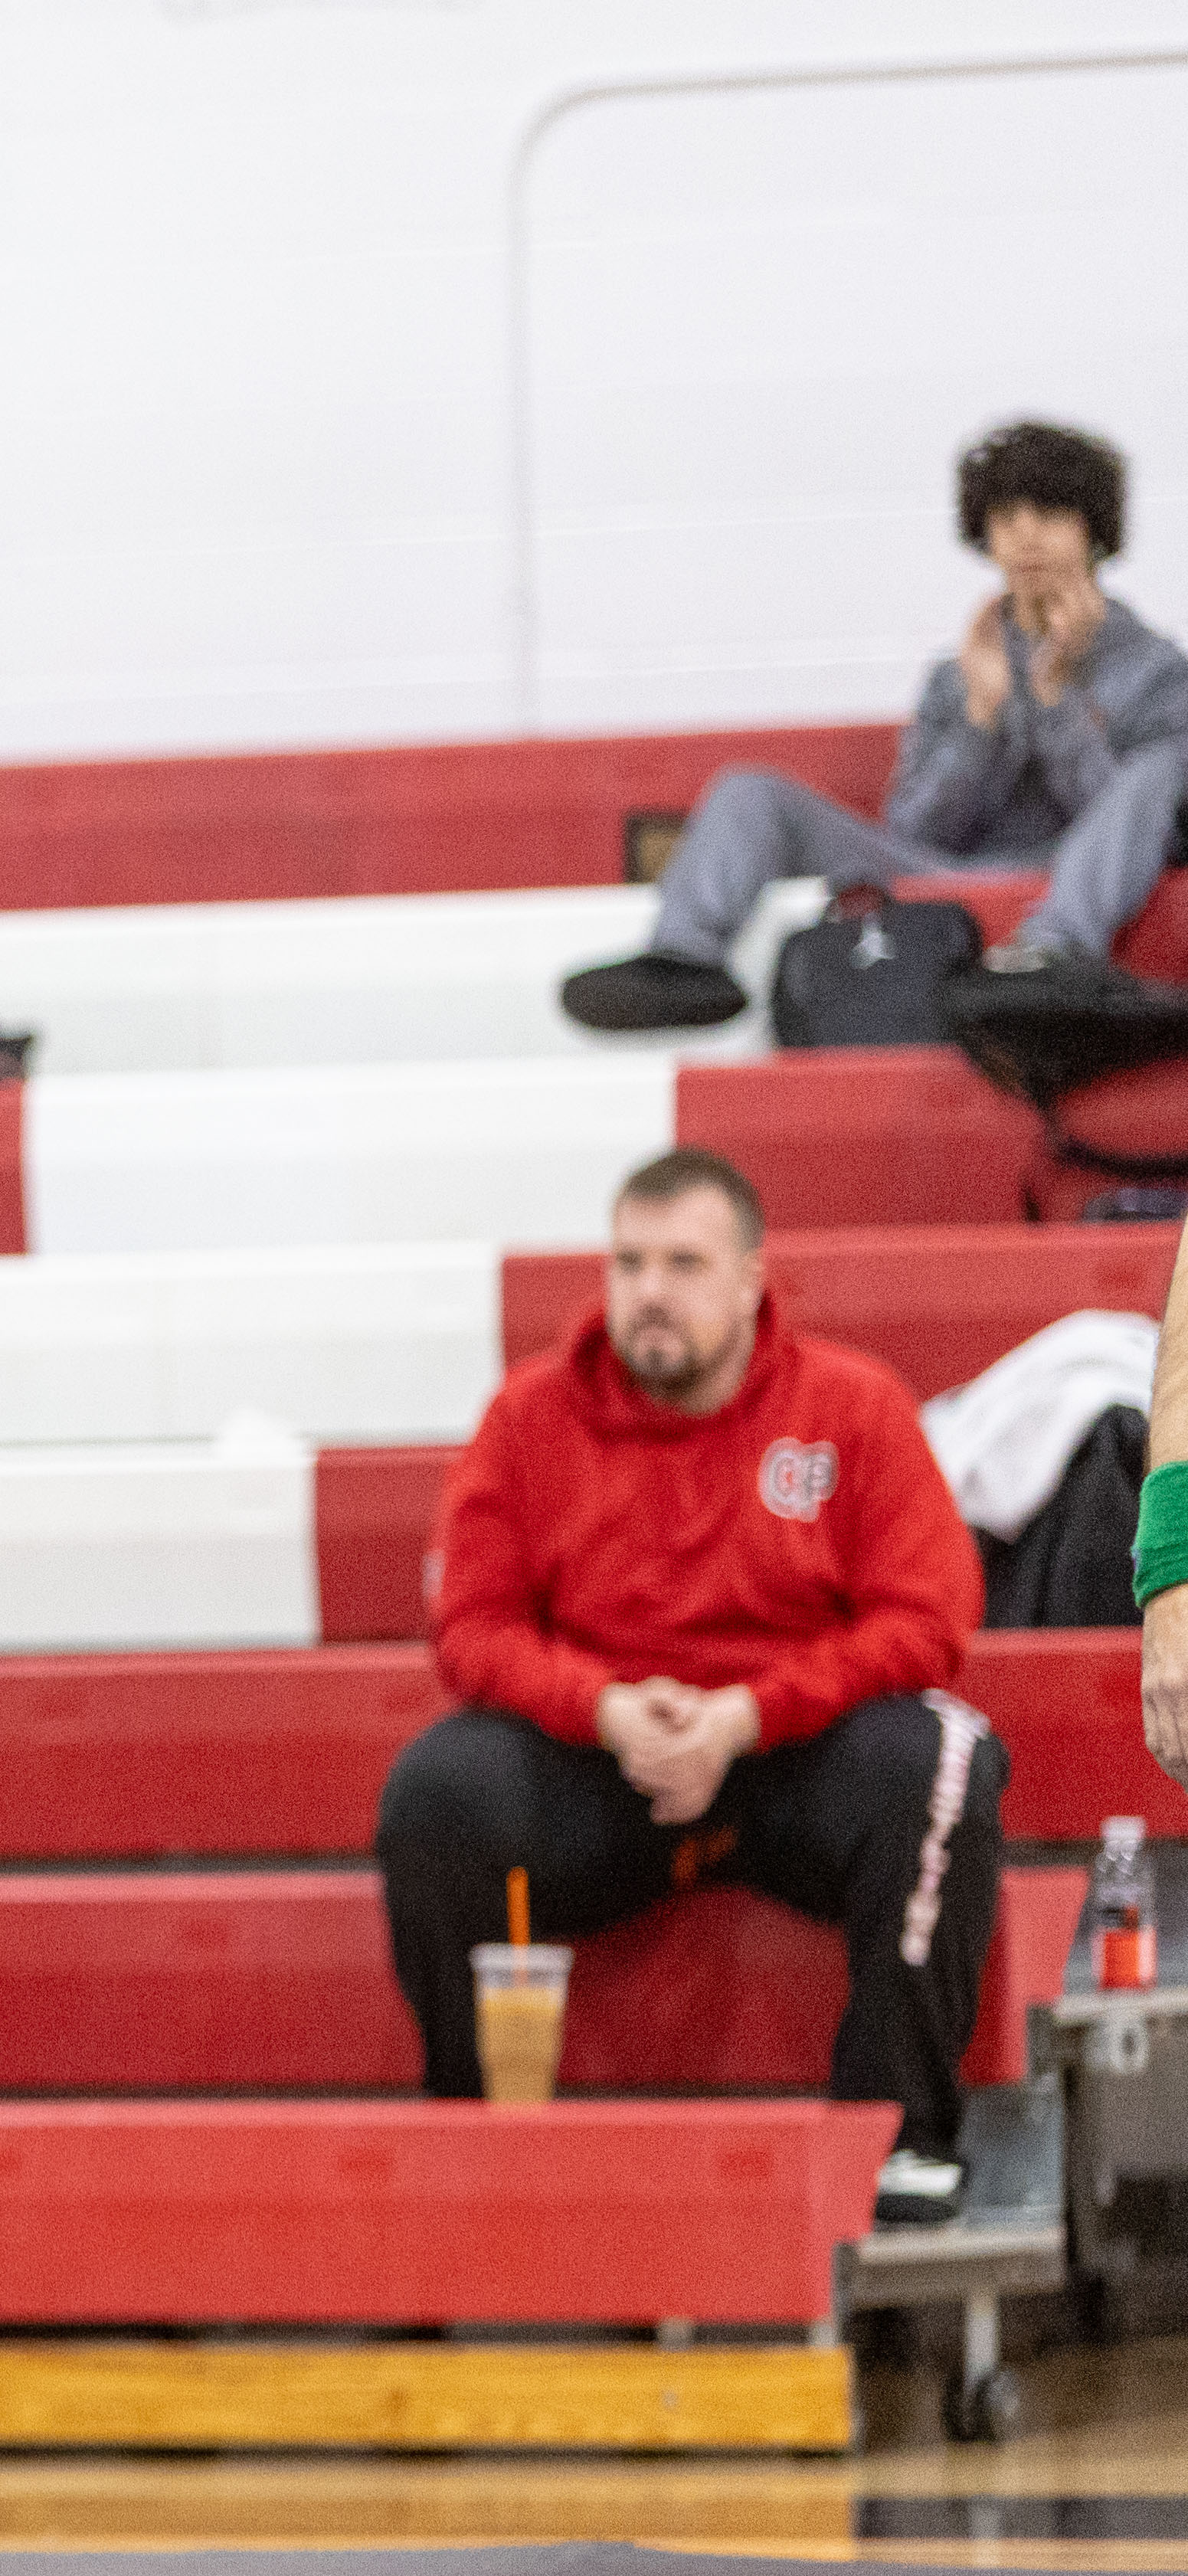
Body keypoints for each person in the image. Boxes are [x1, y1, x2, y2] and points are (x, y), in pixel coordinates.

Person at [376, 1148, 999, 2225]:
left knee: (939, 1752)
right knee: (436, 1790)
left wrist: (745, 1716)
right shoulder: (527, 1417)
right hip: (603, 1763)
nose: (648, 1290)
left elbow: (927, 1619)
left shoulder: (850, 1405)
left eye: (682, 1263)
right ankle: (473, 2131)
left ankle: (893, 2137)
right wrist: (605, 1710)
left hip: (788, 1754)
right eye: (627, 1263)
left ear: (752, 1280)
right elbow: (470, 1628)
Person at [564, 420, 1188, 1033]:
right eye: (1004, 518)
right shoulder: (956, 676)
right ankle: (680, 961)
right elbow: (914, 830)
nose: (1024, 536)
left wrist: (1057, 706)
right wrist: (978, 719)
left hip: (1072, 884)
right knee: (748, 791)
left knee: (1160, 768)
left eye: (1047, 514)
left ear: (1091, 529)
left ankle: (1049, 955)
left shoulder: (1155, 669)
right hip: (941, 874)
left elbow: (1141, 825)